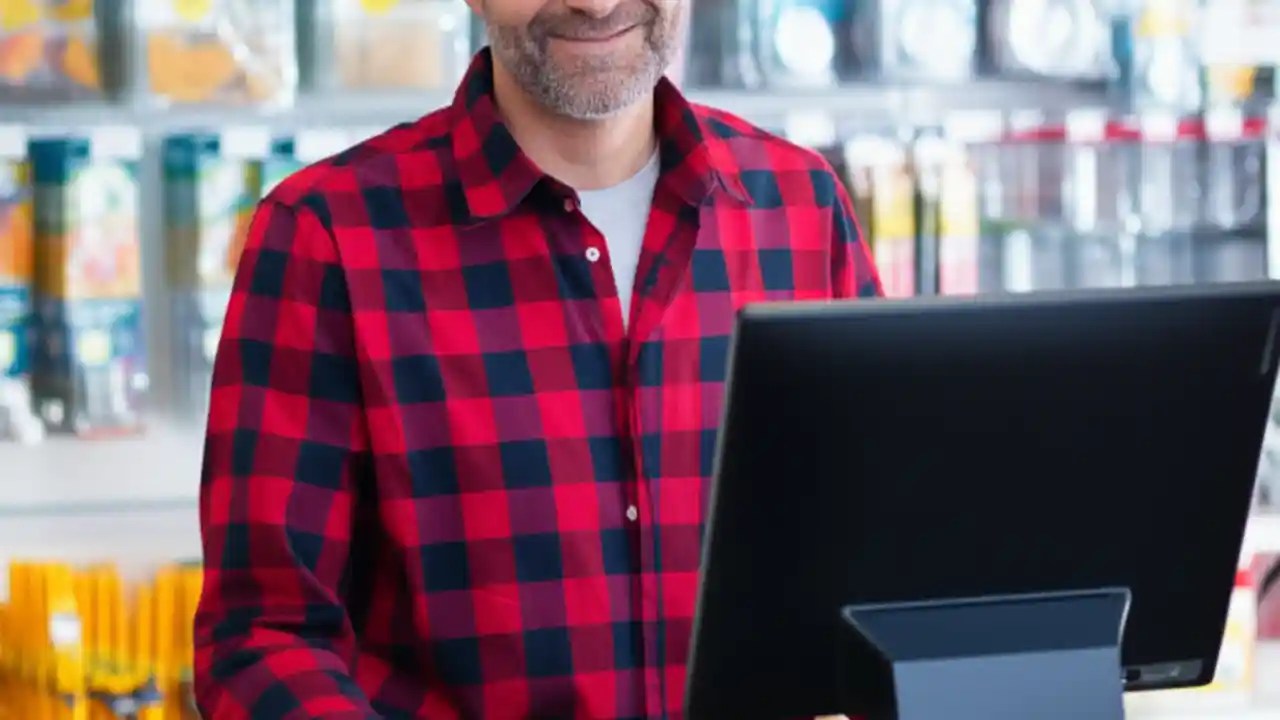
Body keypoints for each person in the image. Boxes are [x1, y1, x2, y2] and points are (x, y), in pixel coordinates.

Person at [191, 0, 882, 714]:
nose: (596, 4)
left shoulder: (804, 213)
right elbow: (264, 636)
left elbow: (888, 584)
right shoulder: (327, 239)